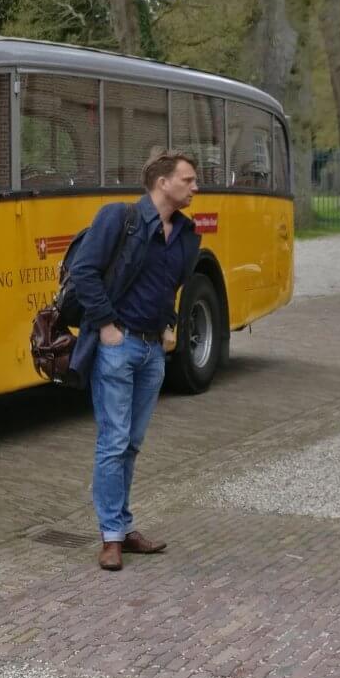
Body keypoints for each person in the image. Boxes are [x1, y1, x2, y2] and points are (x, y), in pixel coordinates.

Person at [67, 151, 202, 571]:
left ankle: (124, 528)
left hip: (151, 350)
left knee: (132, 443)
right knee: (113, 441)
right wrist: (107, 326)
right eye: (188, 179)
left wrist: (168, 325)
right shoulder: (118, 217)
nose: (195, 187)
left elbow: (170, 285)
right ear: (163, 182)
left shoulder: (183, 233)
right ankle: (110, 536)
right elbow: (84, 273)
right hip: (117, 346)